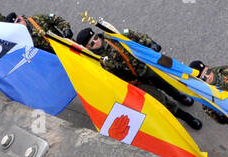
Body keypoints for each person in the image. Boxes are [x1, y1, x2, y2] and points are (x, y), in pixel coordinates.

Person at [74, 28, 203, 130]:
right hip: (135, 82)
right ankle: (186, 117)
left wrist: (150, 43)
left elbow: (132, 35)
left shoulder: (111, 35)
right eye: (92, 44)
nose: (96, 42)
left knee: (166, 84)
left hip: (145, 67)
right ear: (88, 48)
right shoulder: (98, 61)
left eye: (95, 38)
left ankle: (180, 97)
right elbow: (110, 80)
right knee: (160, 100)